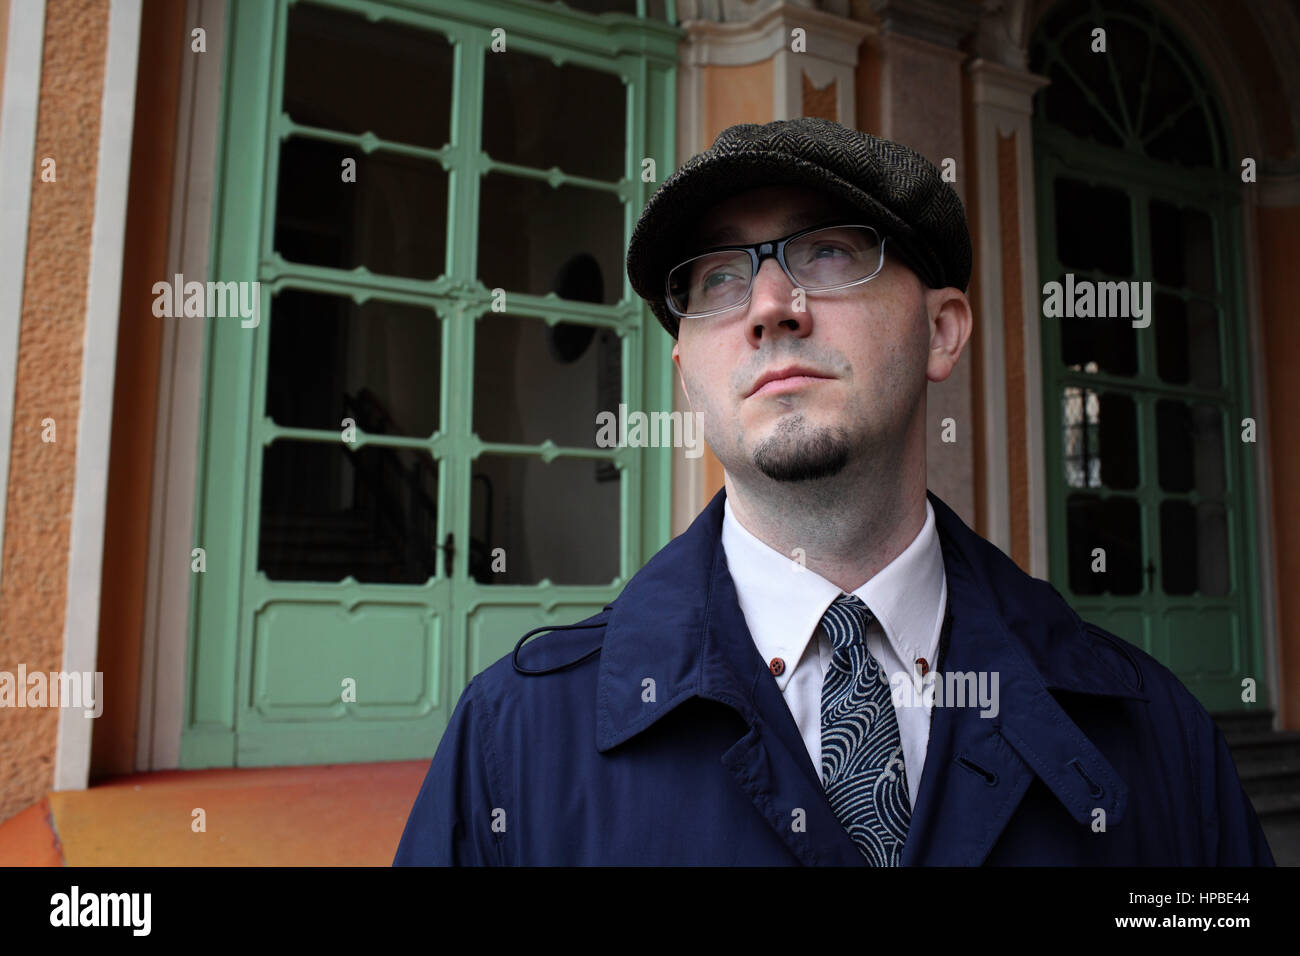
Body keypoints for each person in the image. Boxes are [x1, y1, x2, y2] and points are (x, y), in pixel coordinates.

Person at [393, 117, 1275, 866]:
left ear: (941, 331)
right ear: (686, 375)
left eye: (827, 252)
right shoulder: (515, 739)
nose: (771, 305)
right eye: (719, 277)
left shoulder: (1151, 734)